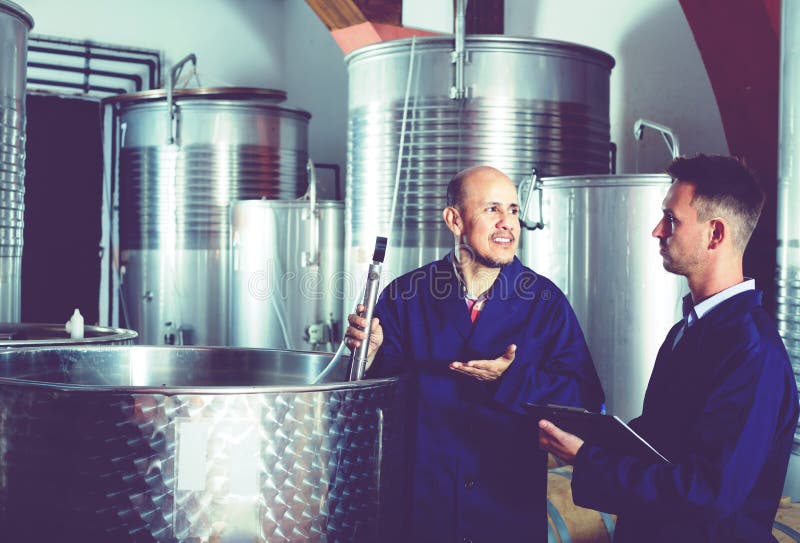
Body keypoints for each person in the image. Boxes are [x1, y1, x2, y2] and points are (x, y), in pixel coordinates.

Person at [539, 154, 799, 542]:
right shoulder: (689, 329)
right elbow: (659, 441)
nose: (657, 231)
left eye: (672, 219)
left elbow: (709, 493)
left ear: (715, 234)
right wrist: (582, 432)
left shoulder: (752, 352)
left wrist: (586, 457)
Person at [346, 165, 605, 542]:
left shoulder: (544, 301)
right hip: (420, 513)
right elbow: (374, 405)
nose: (508, 223)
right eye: (492, 210)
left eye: (514, 211)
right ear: (454, 219)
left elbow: (585, 401)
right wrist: (367, 357)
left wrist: (512, 380)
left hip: (505, 513)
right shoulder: (405, 296)